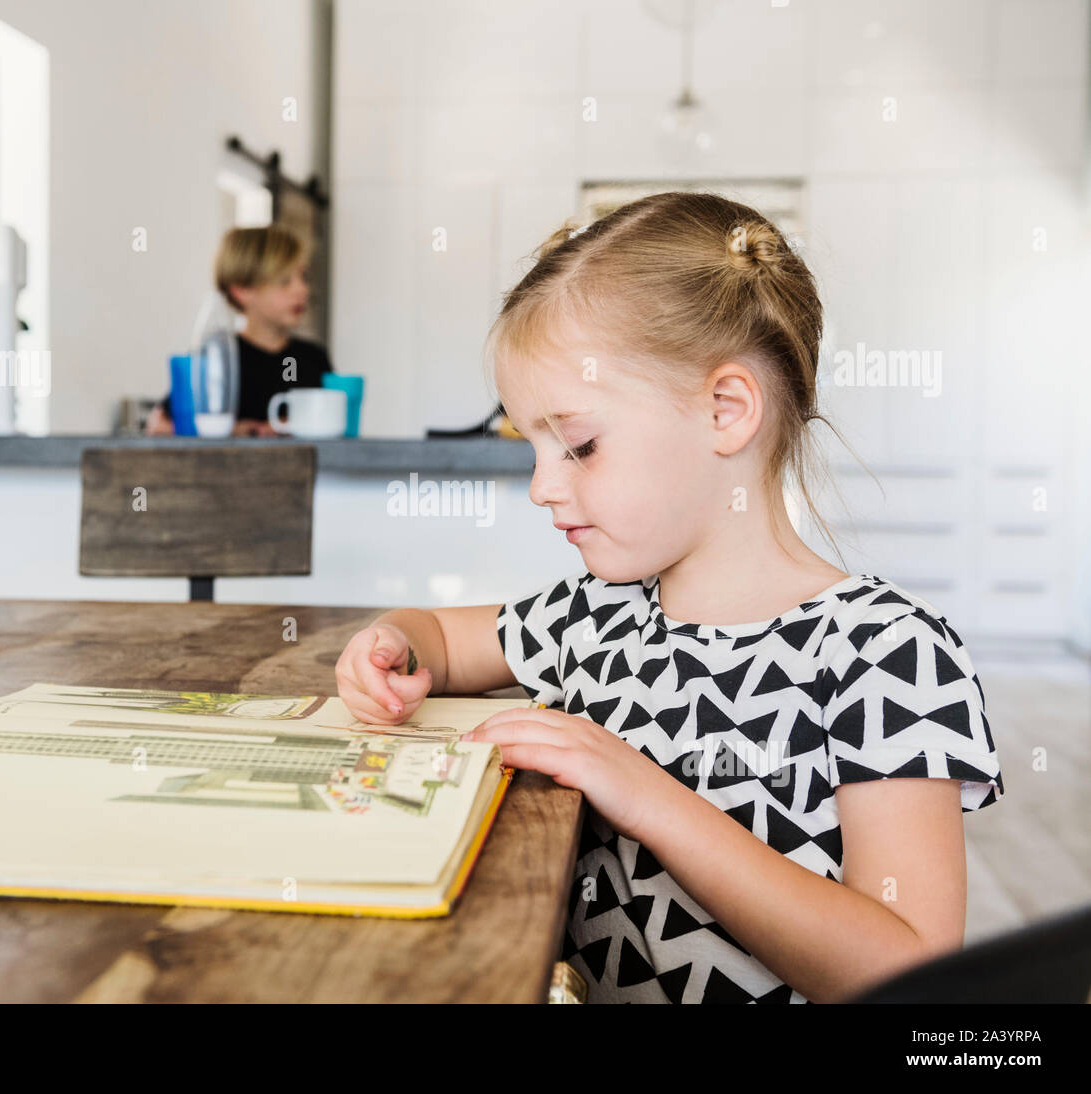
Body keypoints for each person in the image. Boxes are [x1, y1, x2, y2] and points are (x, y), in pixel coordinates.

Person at [332, 192, 1004, 1004]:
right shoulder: (594, 614)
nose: (544, 486)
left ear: (726, 411)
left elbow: (909, 978)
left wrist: (647, 792)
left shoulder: (886, 655)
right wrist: (388, 646)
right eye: (535, 448)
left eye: (579, 445)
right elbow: (438, 636)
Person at [145, 224, 332, 436]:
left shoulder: (313, 359)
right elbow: (160, 426)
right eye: (284, 281)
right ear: (242, 290)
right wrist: (238, 432)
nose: (302, 290)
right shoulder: (217, 357)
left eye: (304, 278)